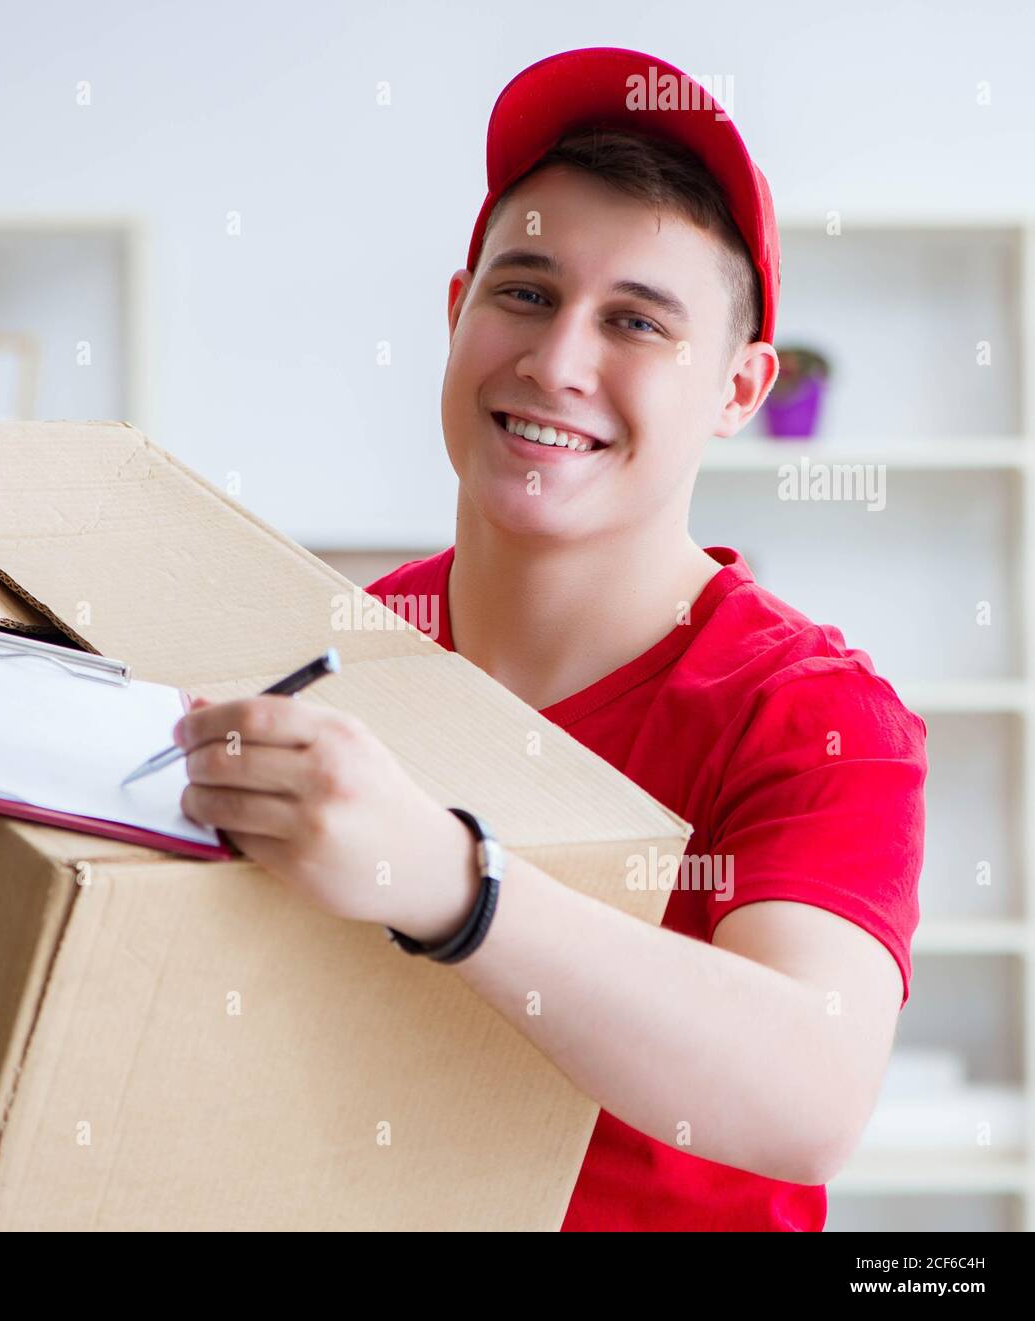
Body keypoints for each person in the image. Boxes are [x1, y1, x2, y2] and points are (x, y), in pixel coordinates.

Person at [173, 47, 928, 1231]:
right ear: (456, 309)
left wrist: (447, 882)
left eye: (635, 321)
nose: (556, 360)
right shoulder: (325, 657)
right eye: (523, 292)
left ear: (740, 390)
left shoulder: (811, 711)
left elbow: (811, 1093)